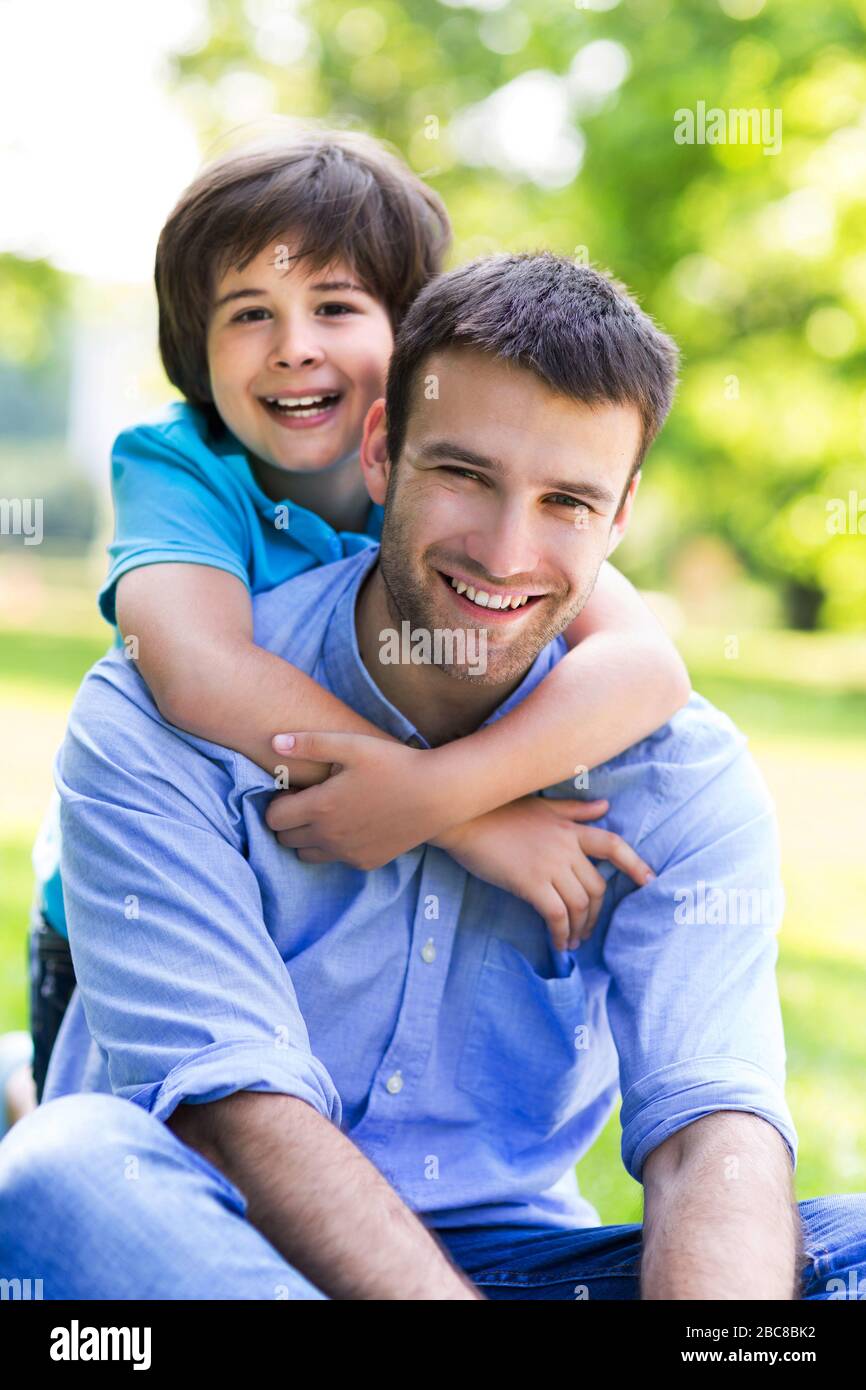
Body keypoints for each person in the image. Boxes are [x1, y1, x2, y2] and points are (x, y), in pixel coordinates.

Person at [2, 251, 862, 1300]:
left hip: (518, 1264)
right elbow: (236, 1118)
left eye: (566, 501)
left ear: (621, 515)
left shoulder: (676, 770)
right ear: (380, 452)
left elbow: (712, 1132)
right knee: (60, 1169)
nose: (504, 553)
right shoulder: (163, 717)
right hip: (220, 1255)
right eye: (464, 475)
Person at [1, 123, 689, 1133]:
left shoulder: (452, 482)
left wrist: (440, 788)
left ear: (415, 340)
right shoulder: (180, 465)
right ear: (194, 348)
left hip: (324, 881)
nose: (294, 345)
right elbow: (192, 665)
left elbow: (646, 670)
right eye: (249, 313)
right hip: (142, 892)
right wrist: (462, 818)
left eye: (334, 306)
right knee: (95, 1123)